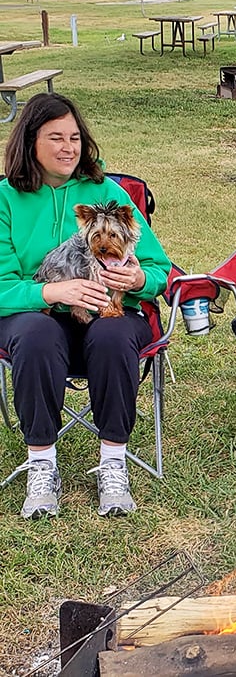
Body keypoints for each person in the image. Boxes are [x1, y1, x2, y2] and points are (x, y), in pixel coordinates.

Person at [0, 93, 171, 519]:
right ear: (29, 142)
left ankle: (113, 463)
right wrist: (52, 293)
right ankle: (42, 465)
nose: (68, 147)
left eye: (74, 137)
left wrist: (136, 279)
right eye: (55, 137)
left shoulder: (107, 193)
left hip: (110, 312)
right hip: (36, 318)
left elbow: (159, 268)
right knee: (36, 335)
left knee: (113, 334)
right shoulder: (5, 198)